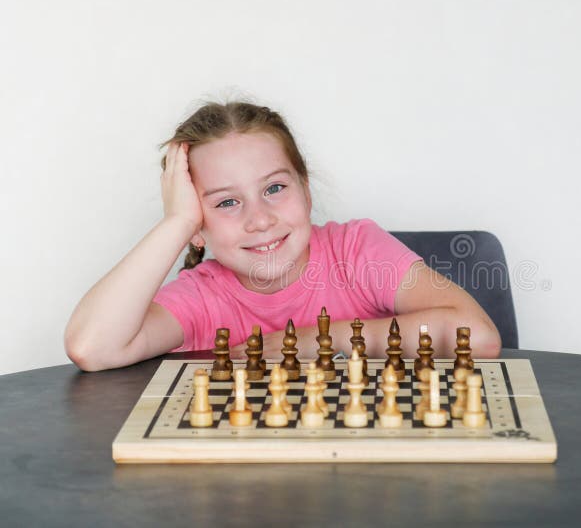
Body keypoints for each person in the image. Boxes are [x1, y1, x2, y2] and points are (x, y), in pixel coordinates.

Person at [64, 100, 501, 372]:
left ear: (306, 191)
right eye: (226, 203)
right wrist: (175, 224)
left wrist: (319, 341)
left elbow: (478, 336)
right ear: (199, 225)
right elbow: (91, 347)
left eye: (275, 188)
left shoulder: (357, 250)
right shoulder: (203, 297)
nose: (260, 219)